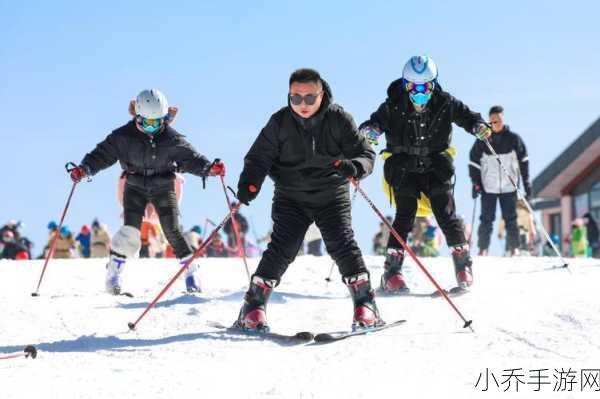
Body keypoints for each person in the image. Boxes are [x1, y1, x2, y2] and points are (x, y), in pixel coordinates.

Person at [234, 68, 382, 331]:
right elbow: (259, 156)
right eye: (296, 98)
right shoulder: (279, 122)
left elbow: (365, 153)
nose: (302, 105)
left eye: (309, 98)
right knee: (283, 246)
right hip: (291, 195)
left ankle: (365, 304)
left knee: (341, 243)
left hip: (331, 192)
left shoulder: (339, 119)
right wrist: (250, 183)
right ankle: (253, 306)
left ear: (321, 94)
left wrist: (354, 167)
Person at [68, 89, 225, 294]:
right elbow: (102, 154)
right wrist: (84, 168)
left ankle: (191, 272)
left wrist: (209, 168)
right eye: (146, 123)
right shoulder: (123, 136)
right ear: (137, 116)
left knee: (172, 229)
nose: (152, 128)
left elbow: (191, 158)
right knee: (131, 231)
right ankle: (114, 272)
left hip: (163, 184)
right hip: (135, 185)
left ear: (165, 119)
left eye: (157, 123)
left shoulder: (171, 138)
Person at [360, 55, 491, 293]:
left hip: (436, 164)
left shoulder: (445, 102)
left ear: (433, 83)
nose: (420, 91)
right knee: (405, 212)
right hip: (403, 166)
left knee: (444, 210)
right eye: (413, 86)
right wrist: (371, 131)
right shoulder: (393, 104)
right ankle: (392, 271)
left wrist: (478, 126)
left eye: (426, 86)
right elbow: (374, 122)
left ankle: (463, 264)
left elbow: (468, 116)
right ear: (405, 84)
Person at [469, 105, 530, 256]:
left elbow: (524, 161)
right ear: (489, 121)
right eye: (493, 121)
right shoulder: (483, 141)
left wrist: (527, 184)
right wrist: (475, 183)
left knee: (511, 219)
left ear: (503, 119)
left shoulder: (513, 139)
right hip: (488, 186)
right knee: (486, 219)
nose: (496, 124)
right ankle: (483, 249)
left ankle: (514, 248)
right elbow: (473, 163)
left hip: (509, 186)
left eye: (499, 120)